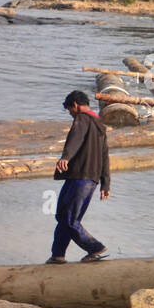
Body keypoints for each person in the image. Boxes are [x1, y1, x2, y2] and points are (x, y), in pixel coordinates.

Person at [47, 90, 110, 263]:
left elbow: (75, 137)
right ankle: (58, 255)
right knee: (63, 216)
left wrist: (66, 157)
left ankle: (95, 247)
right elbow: (105, 156)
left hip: (81, 177)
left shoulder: (82, 118)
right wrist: (106, 184)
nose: (71, 114)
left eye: (70, 110)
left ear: (75, 105)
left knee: (68, 218)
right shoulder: (99, 124)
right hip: (89, 179)